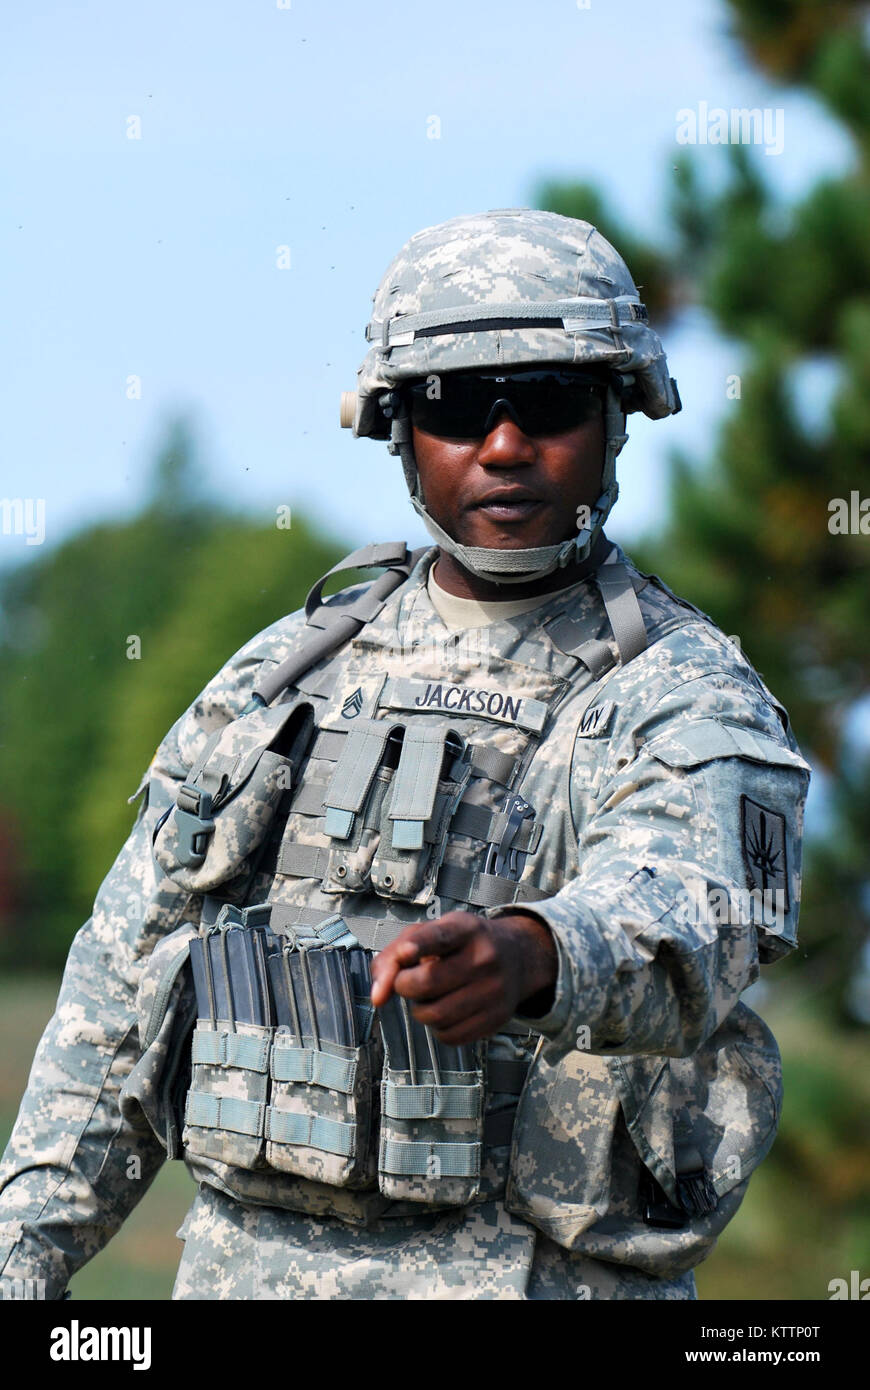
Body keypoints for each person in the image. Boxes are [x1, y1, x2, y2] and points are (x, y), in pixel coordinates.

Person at [0, 209, 810, 1301]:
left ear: (620, 419)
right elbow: (121, 980)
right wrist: (29, 1252)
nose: (507, 443)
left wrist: (531, 955)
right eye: (459, 405)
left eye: (553, 402)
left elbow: (685, 914)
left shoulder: (681, 693)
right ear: (398, 428)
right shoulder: (287, 673)